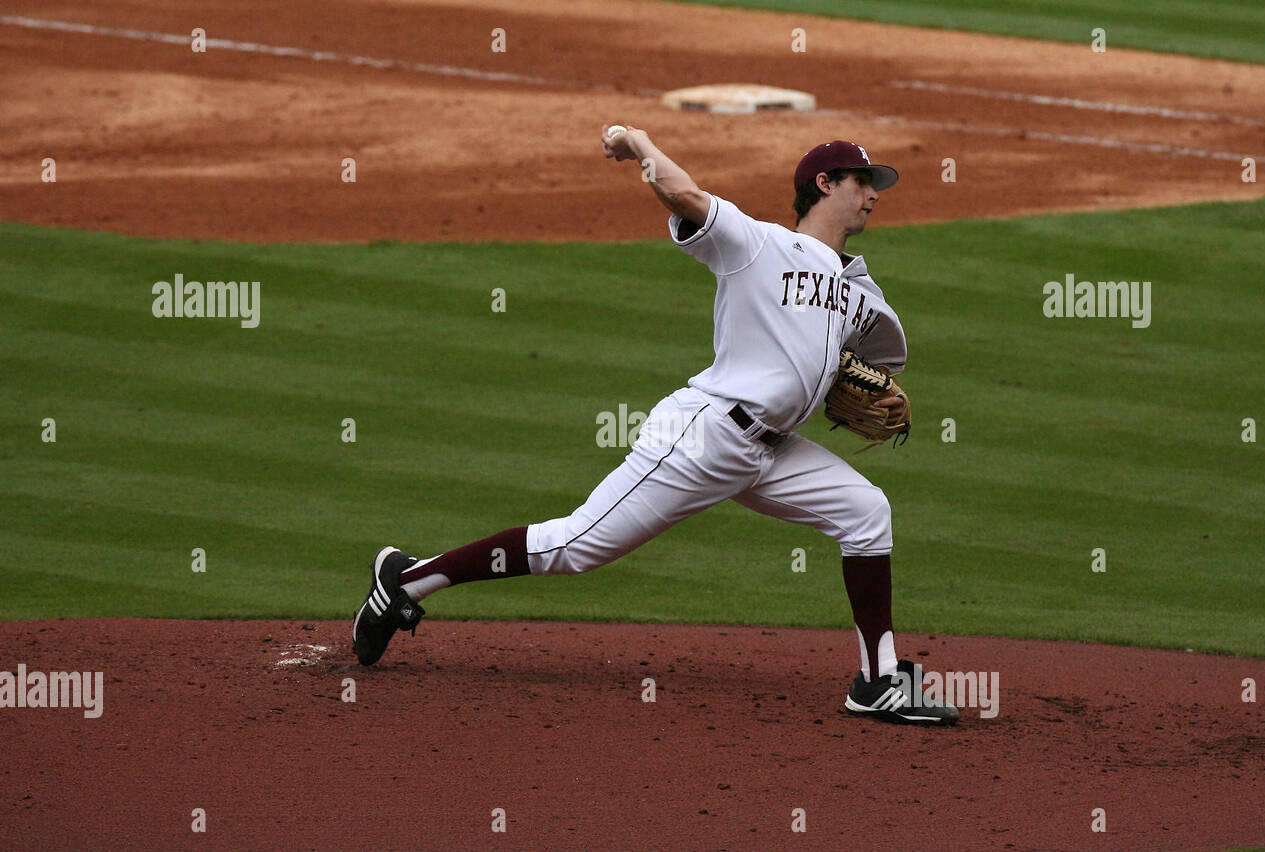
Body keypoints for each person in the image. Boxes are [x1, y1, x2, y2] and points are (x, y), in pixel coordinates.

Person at [351, 126, 958, 725]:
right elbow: (687, 196)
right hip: (705, 436)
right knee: (574, 546)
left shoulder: (860, 289)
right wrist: (640, 144)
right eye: (862, 181)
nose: (874, 193)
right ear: (824, 184)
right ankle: (405, 581)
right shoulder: (759, 244)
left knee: (867, 512)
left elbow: (874, 365)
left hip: (773, 452)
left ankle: (879, 682)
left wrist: (887, 399)